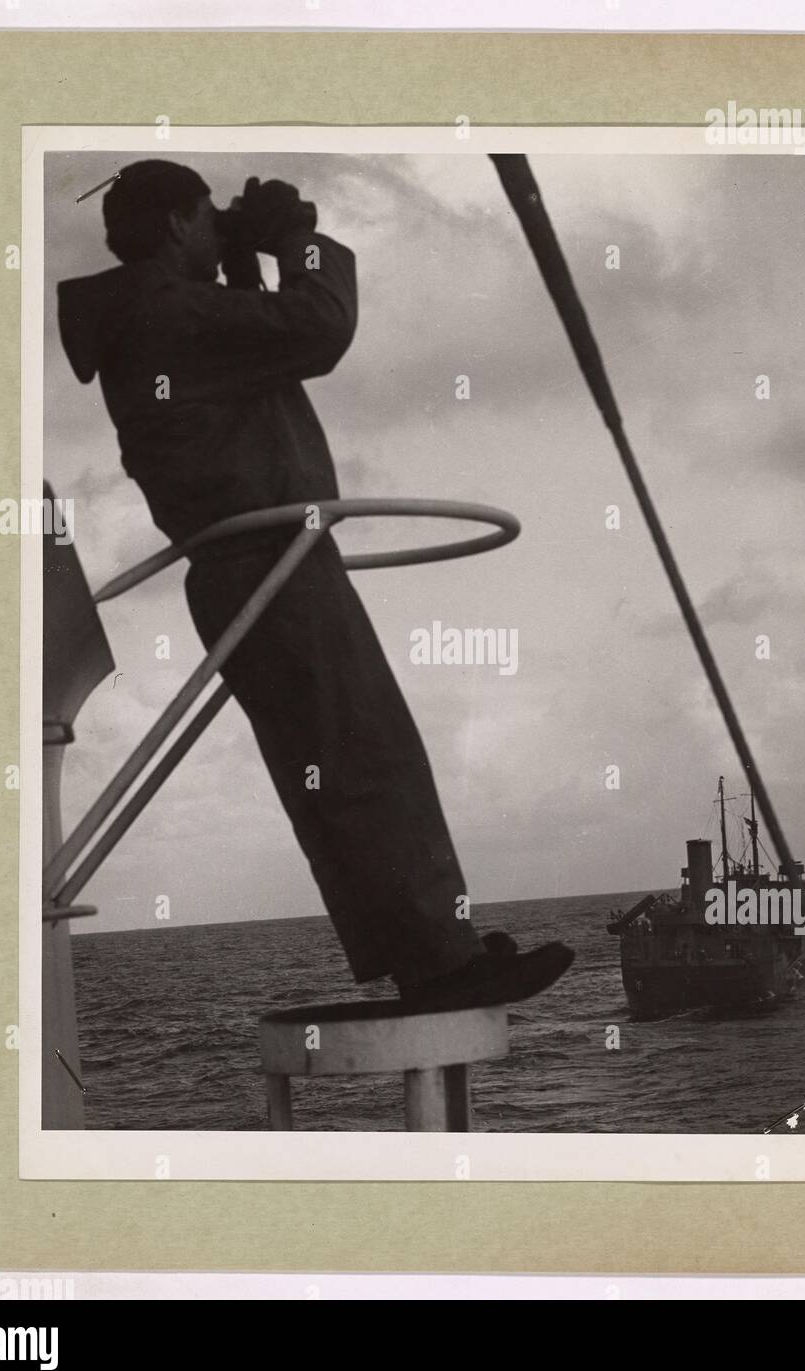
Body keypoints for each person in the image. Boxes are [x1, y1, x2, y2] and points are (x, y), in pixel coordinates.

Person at [57, 159, 573, 1011]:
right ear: (182, 222)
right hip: (270, 564)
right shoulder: (165, 310)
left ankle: (431, 955)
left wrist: (240, 258)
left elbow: (253, 347)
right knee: (365, 759)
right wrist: (294, 238)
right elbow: (317, 328)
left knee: (350, 763)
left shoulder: (157, 315)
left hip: (264, 563)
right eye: (208, 218)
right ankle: (439, 965)